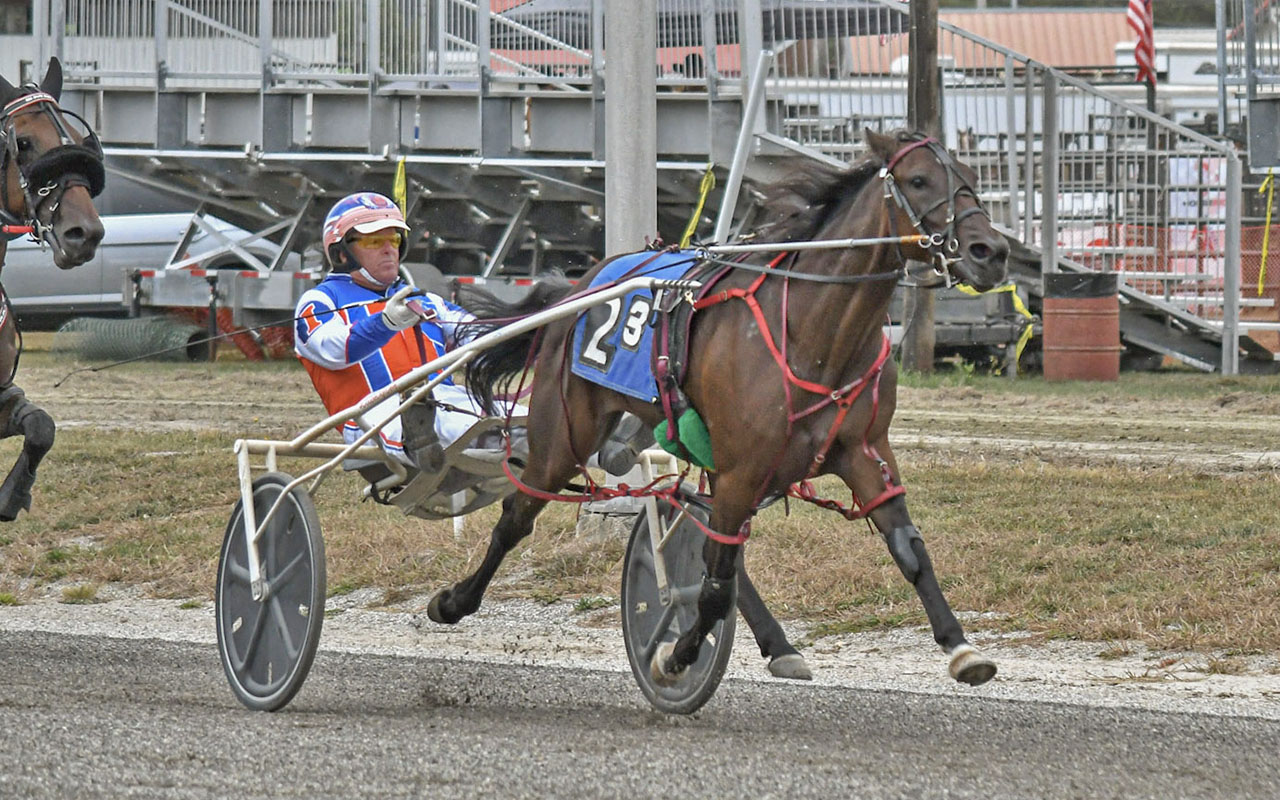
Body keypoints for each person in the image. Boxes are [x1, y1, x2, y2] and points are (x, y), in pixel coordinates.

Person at [294, 191, 514, 469]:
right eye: (374, 241)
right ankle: (425, 440)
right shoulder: (320, 301)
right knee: (445, 421)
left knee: (530, 421)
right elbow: (333, 349)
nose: (388, 249)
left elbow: (477, 335)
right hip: (371, 414)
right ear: (341, 253)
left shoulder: (425, 300)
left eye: (394, 239)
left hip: (444, 401)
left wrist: (529, 335)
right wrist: (385, 323)